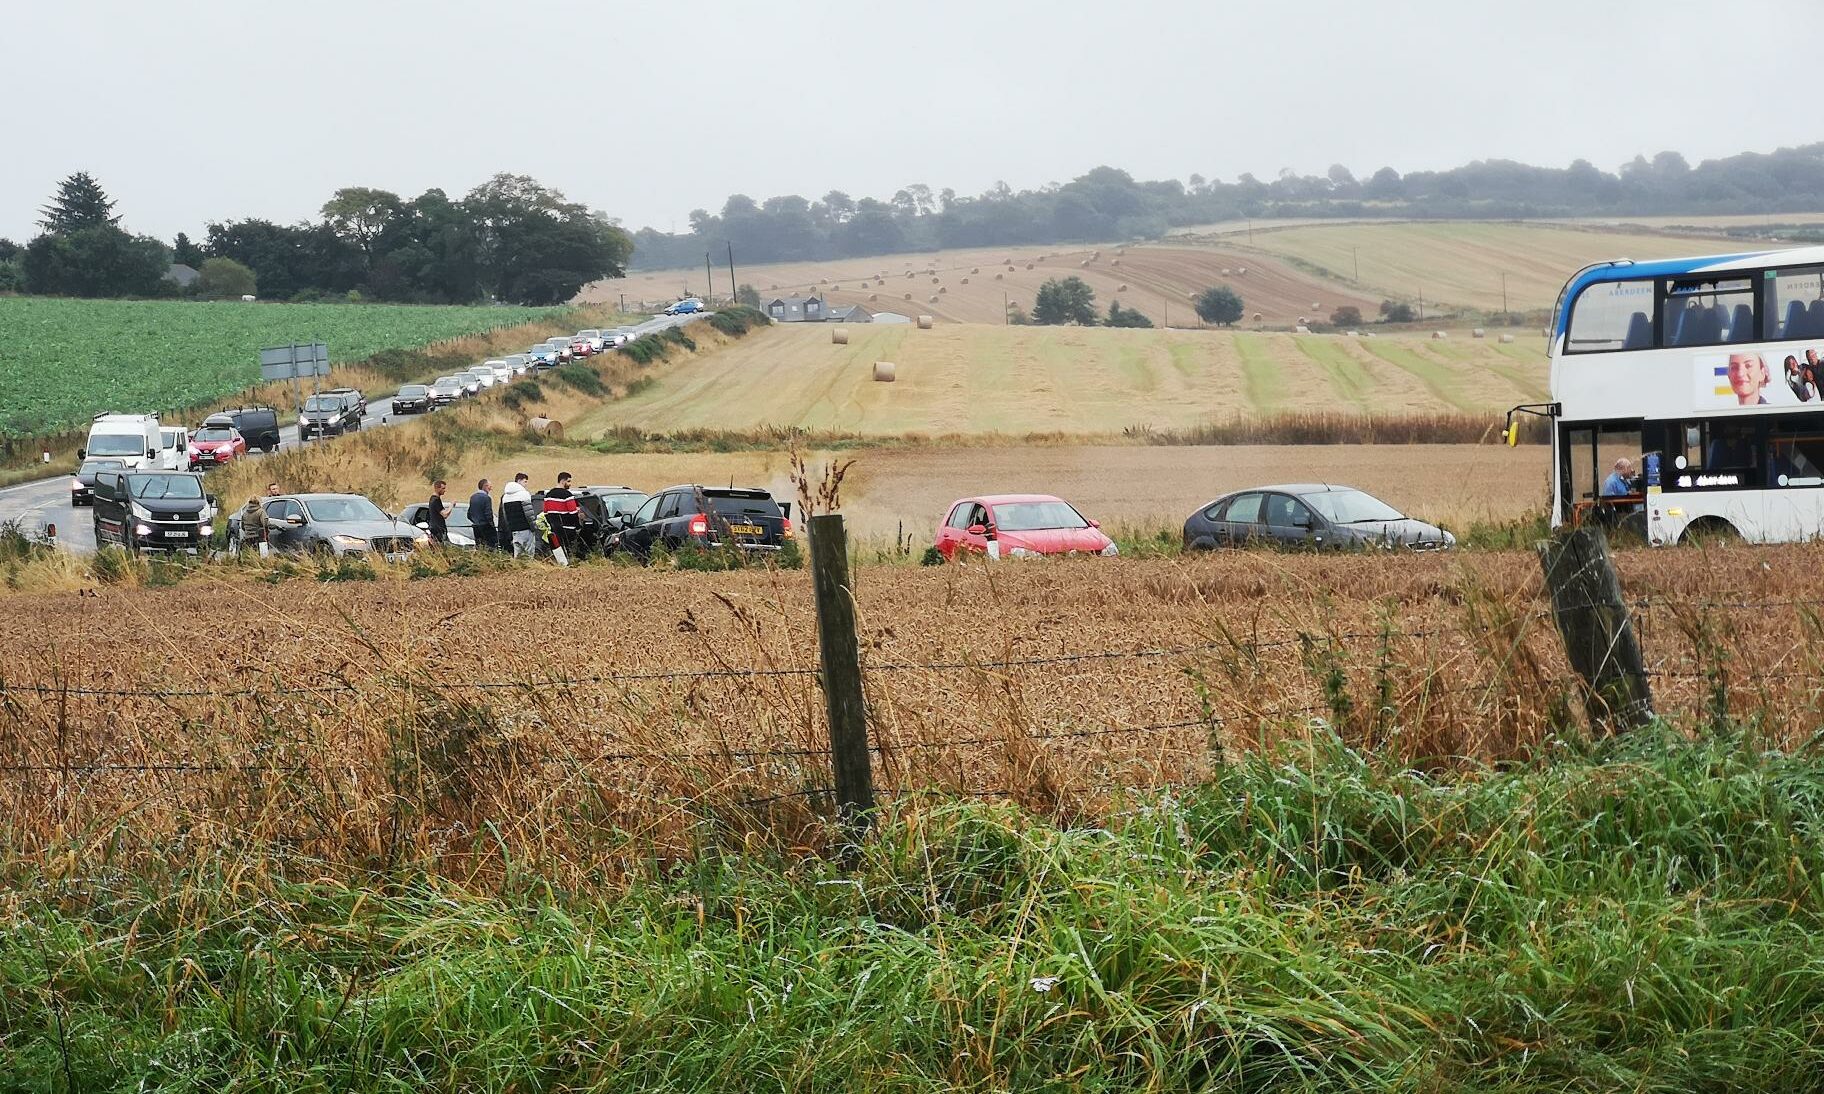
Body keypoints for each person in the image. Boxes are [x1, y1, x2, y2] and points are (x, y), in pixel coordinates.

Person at [542, 471, 580, 563]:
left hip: (555, 529)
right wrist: (577, 525)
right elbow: (573, 513)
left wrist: (552, 524)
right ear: (563, 481)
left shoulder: (548, 496)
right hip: (568, 529)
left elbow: (546, 513)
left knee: (559, 553)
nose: (570, 484)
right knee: (569, 552)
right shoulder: (567, 495)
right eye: (568, 481)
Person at [500, 472, 538, 558]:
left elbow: (505, 516)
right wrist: (533, 527)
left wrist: (510, 528)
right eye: (525, 482)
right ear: (519, 481)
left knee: (517, 555)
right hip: (526, 529)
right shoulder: (524, 494)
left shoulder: (505, 497)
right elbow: (529, 514)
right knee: (529, 554)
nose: (526, 484)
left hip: (514, 530)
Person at [467, 478, 496, 551]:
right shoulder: (486, 498)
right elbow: (488, 514)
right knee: (490, 548)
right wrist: (492, 525)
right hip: (485, 526)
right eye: (490, 486)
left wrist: (475, 521)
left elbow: (469, 514)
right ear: (485, 486)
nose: (491, 488)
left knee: (479, 547)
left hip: (476, 527)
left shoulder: (473, 497)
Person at [425, 479, 452, 544]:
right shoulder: (436, 500)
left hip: (435, 528)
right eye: (443, 488)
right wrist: (451, 505)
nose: (444, 490)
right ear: (437, 488)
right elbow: (445, 514)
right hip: (438, 529)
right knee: (442, 547)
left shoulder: (433, 499)